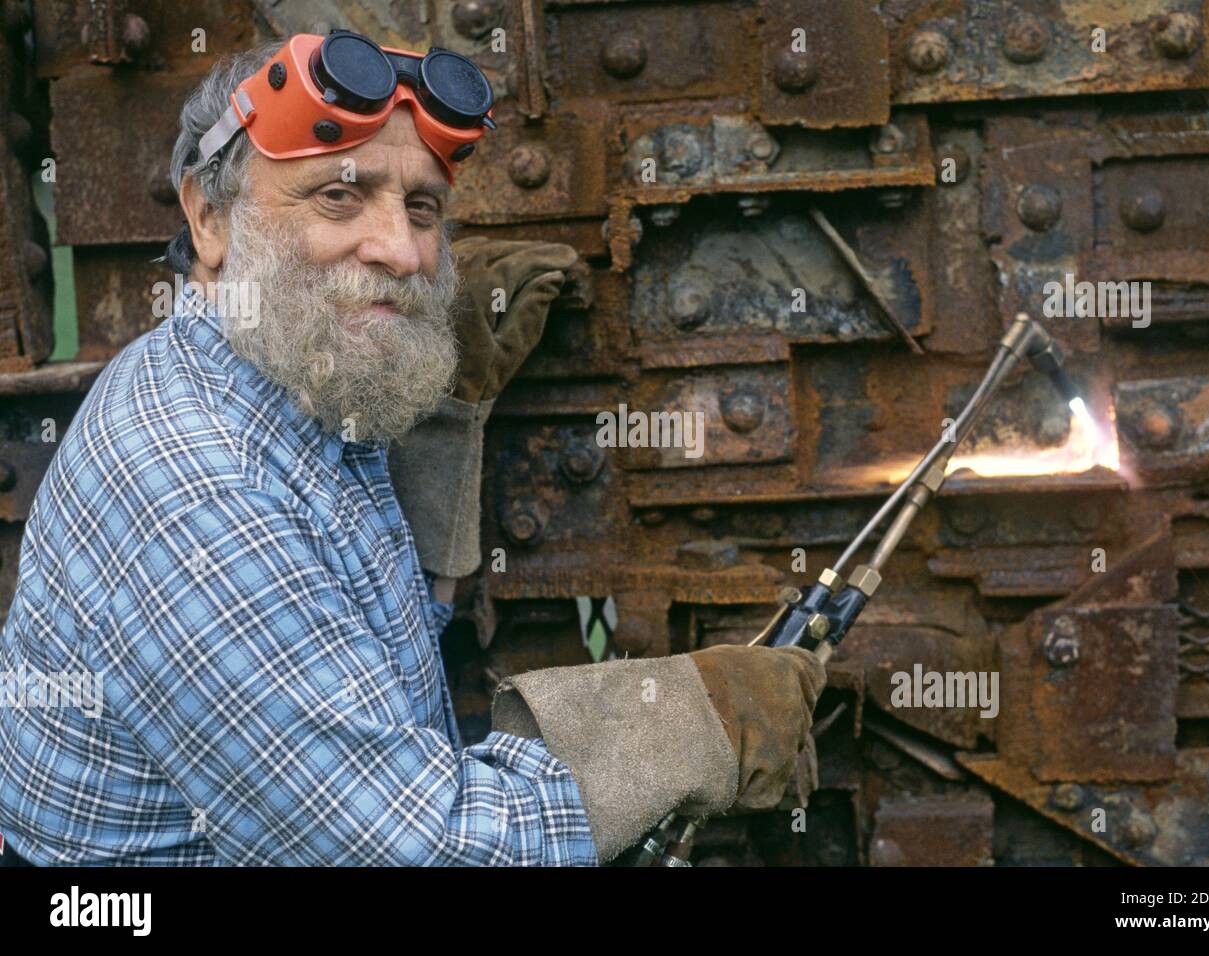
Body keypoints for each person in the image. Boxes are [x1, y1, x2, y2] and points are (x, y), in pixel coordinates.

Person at [0, 32, 823, 866]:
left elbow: (357, 641)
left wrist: (440, 426)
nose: (404, 251)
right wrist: (695, 723)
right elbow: (426, 850)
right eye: (338, 198)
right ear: (210, 219)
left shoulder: (282, 387)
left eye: (422, 208)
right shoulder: (196, 489)